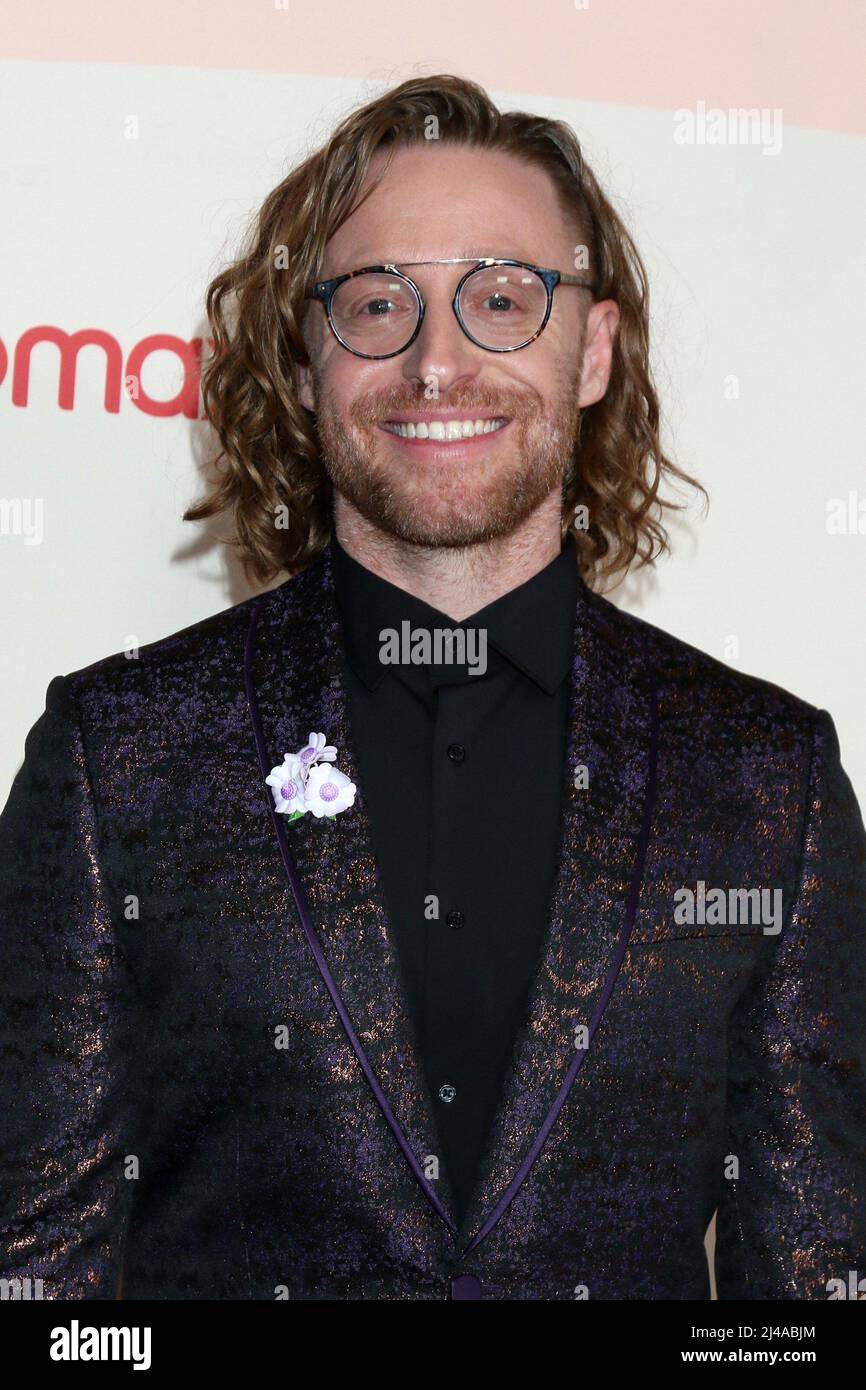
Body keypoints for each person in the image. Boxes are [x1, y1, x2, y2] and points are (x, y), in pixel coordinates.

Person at [1, 74, 863, 1302]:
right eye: (375, 302)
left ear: (593, 351)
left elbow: (816, 1291)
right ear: (306, 362)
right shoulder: (118, 754)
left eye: (502, 299)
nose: (437, 360)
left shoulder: (765, 780)